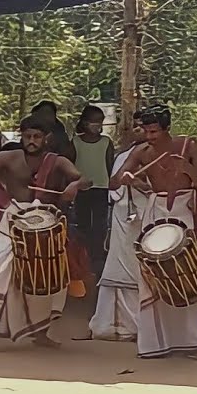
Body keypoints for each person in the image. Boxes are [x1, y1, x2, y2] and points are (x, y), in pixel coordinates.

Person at [114, 103, 197, 366]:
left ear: (166, 128)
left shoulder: (187, 146)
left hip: (183, 214)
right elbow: (116, 179)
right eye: (146, 131)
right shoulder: (141, 152)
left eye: (154, 131)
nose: (150, 136)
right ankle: (154, 343)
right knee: (151, 278)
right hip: (154, 214)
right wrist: (128, 177)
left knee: (188, 274)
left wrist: (189, 170)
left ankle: (196, 344)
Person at [0, 116, 87, 351]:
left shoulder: (57, 162)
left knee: (48, 280)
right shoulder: (9, 158)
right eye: (27, 136)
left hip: (47, 224)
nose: (31, 141)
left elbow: (84, 178)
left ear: (47, 139)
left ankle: (40, 333)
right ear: (21, 136)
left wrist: (74, 185)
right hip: (14, 221)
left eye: (37, 137)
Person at [89, 113, 147, 341]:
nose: (140, 131)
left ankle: (142, 326)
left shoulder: (163, 157)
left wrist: (142, 184)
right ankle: (109, 325)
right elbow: (113, 185)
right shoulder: (124, 156)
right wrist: (128, 180)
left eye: (146, 127)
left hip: (150, 214)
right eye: (137, 126)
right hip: (125, 216)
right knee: (120, 267)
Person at [72, 105, 115, 274]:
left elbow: (110, 165)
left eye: (100, 122)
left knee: (100, 224)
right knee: (82, 223)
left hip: (101, 188)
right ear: (84, 123)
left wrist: (112, 186)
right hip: (81, 189)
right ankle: (83, 253)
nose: (98, 126)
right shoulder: (75, 142)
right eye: (94, 122)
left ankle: (97, 255)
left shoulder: (106, 142)